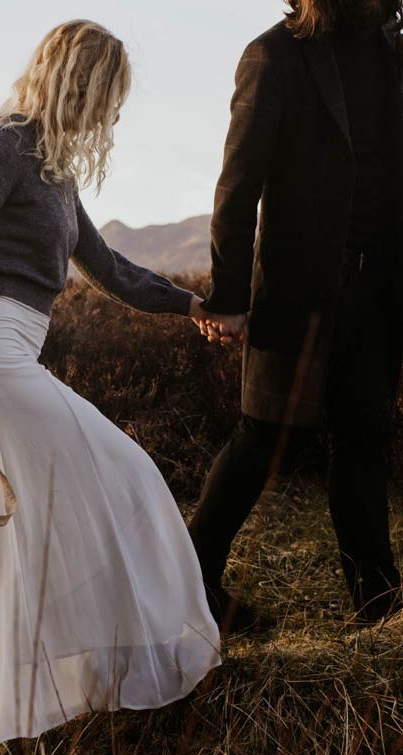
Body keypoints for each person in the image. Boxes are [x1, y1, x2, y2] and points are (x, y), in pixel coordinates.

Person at [0, 19, 222, 755]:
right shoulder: (5, 144)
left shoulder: (54, 168)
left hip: (6, 356)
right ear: (79, 80)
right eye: (108, 96)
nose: (111, 114)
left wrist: (191, 308)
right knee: (126, 475)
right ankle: (102, 678)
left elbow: (108, 266)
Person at [190, 0, 403, 633]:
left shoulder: (392, 50)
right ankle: (192, 581)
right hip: (297, 290)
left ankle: (379, 601)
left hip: (382, 287)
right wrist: (229, 296)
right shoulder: (273, 55)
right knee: (263, 437)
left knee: (365, 439)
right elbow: (238, 185)